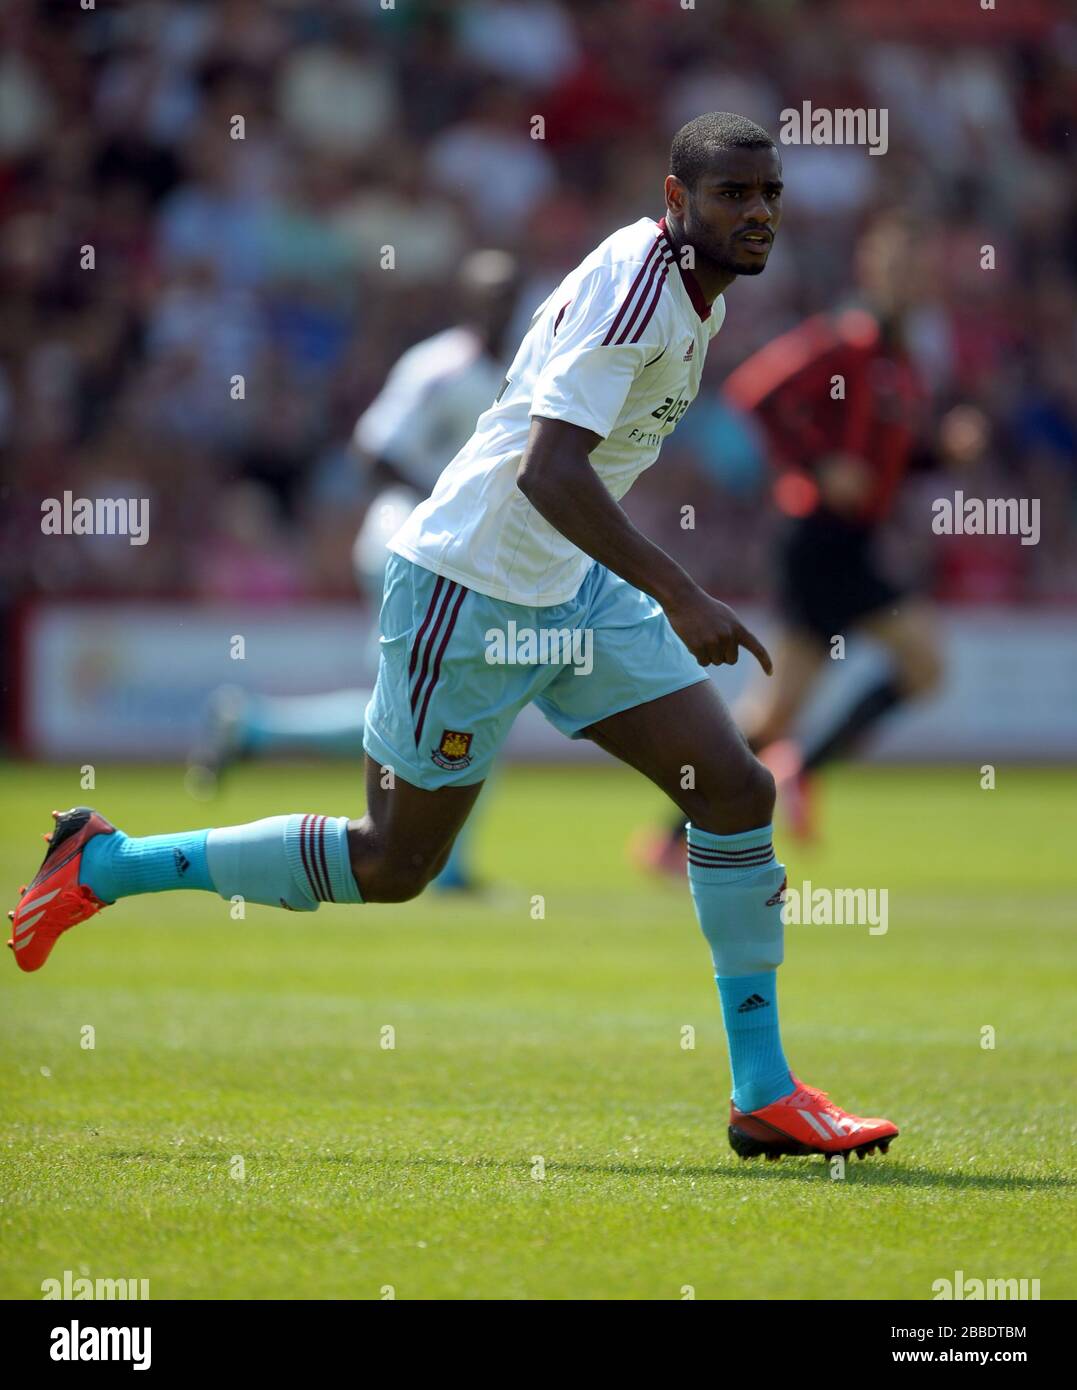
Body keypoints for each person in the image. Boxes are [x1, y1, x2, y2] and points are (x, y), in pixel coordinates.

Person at [10, 113, 898, 1164]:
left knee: (736, 790)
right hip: (467, 592)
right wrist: (683, 593)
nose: (756, 215)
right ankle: (104, 864)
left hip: (569, 590)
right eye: (731, 196)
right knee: (393, 861)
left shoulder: (692, 293)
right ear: (675, 202)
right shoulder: (640, 293)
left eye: (769, 196)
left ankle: (766, 1092)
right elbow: (549, 470)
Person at [186, 250, 522, 889]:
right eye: (493, 295)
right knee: (474, 700)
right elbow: (372, 451)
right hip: (416, 545)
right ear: (470, 301)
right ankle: (448, 868)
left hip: (462, 557)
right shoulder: (438, 368)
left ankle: (252, 729)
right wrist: (450, 497)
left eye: (513, 295)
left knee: (419, 708)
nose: (504, 307)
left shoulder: (513, 372)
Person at [637, 212, 943, 871]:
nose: (909, 277)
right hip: (816, 541)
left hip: (850, 544)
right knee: (921, 664)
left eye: (917, 266)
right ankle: (799, 771)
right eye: (896, 264)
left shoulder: (900, 359)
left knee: (771, 716)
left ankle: (673, 835)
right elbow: (754, 394)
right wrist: (814, 465)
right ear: (870, 269)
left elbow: (883, 465)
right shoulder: (843, 341)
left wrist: (939, 453)